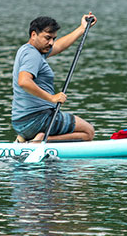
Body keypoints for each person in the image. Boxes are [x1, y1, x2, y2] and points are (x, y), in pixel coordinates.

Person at [12, 12, 97, 143]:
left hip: (21, 122)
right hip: (39, 120)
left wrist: (82, 28)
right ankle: (40, 140)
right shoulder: (33, 55)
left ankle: (26, 138)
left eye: (53, 38)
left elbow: (59, 46)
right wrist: (52, 98)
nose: (51, 43)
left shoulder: (28, 50)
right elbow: (24, 81)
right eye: (47, 38)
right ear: (33, 35)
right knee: (88, 131)